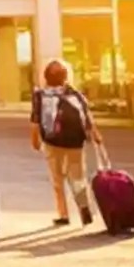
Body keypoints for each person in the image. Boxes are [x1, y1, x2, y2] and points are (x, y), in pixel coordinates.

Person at [31, 58, 103, 226]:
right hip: (75, 142)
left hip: (52, 141)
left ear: (46, 76)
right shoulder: (74, 93)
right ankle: (83, 207)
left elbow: (35, 120)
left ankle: (63, 214)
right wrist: (96, 134)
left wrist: (35, 141)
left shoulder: (41, 95)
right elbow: (87, 117)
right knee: (77, 177)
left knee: (57, 180)